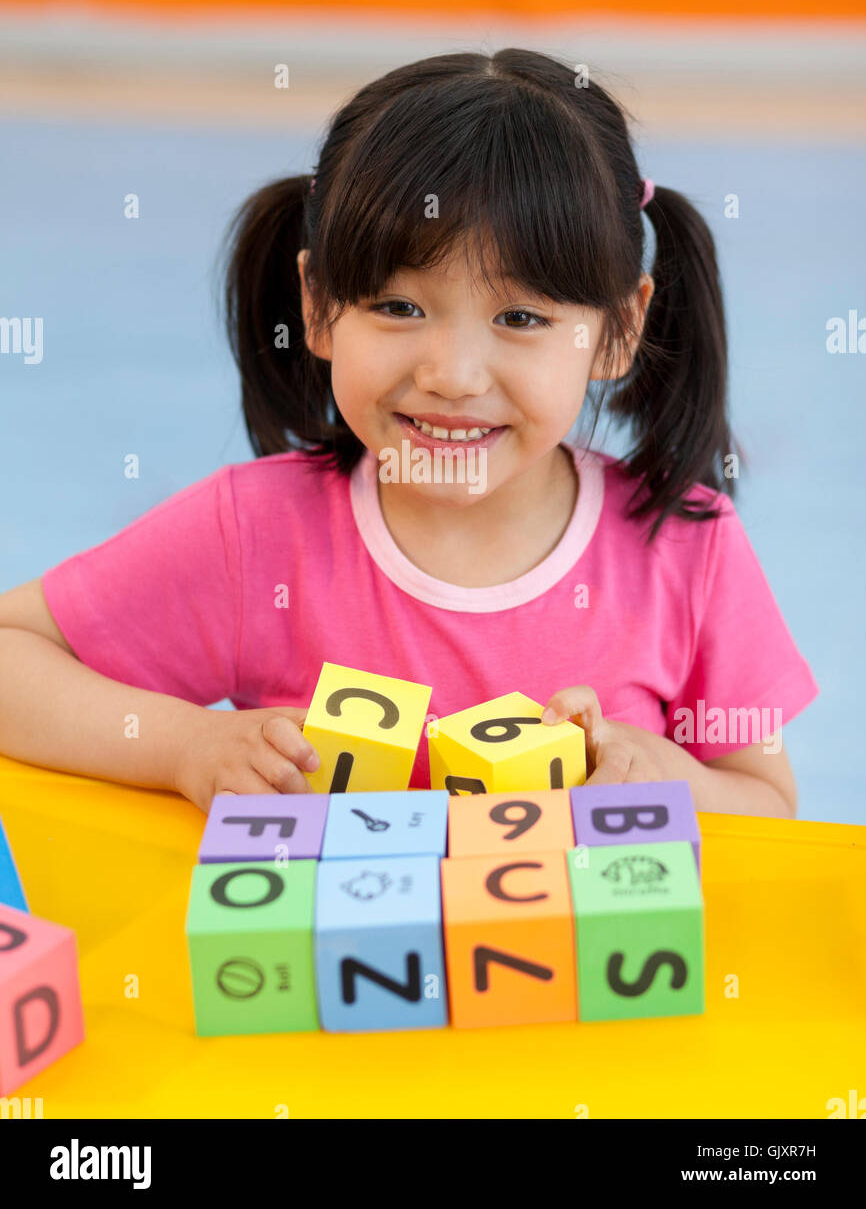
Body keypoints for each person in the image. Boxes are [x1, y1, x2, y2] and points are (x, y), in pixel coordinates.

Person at [0, 50, 816, 816]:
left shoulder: (688, 551)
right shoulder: (255, 537)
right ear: (317, 305)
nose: (452, 375)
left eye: (522, 317)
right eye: (398, 308)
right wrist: (187, 745)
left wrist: (662, 773)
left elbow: (771, 803)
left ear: (616, 330)